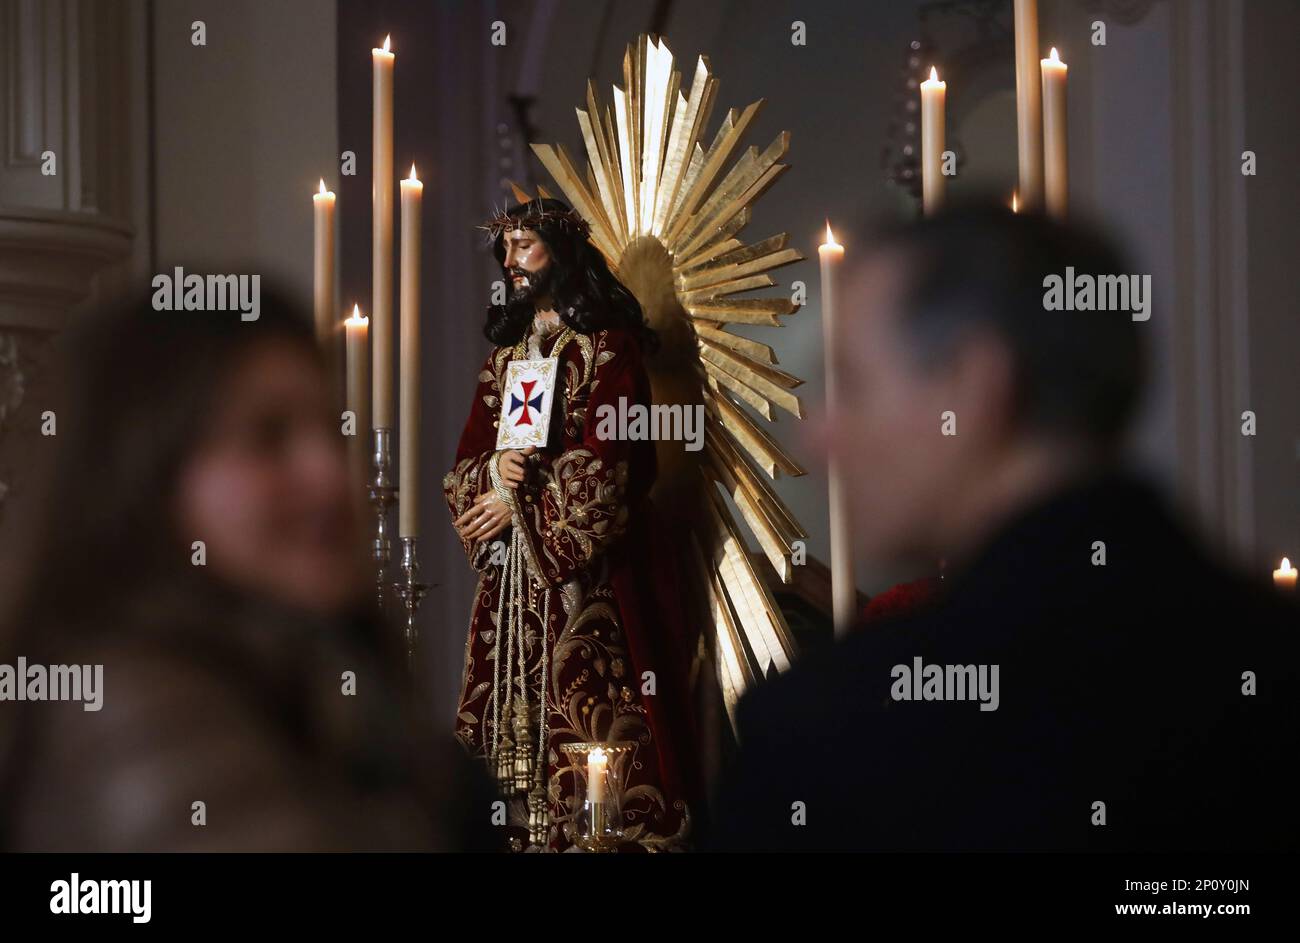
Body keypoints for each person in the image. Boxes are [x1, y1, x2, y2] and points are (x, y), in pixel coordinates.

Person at [712, 204, 1299, 851]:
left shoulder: (834, 732)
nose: (816, 435)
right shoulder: (1269, 648)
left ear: (975, 383)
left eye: (850, 383)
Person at [0, 285, 493, 851]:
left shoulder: (299, 674)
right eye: (268, 436)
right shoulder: (129, 709)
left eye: (334, 432)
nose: (331, 476)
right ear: (145, 473)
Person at [444, 198, 697, 851]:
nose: (510, 261)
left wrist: (518, 500)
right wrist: (496, 476)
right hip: (508, 599)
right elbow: (464, 468)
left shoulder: (609, 352)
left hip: (590, 589)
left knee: (594, 740)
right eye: (505, 248)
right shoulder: (505, 361)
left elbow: (605, 479)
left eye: (524, 245)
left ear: (562, 251)